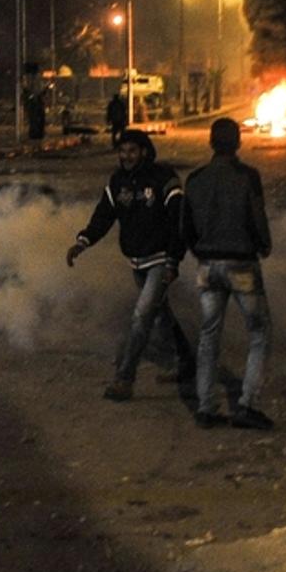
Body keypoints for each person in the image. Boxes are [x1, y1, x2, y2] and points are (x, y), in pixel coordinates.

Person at [66, 129, 195, 401]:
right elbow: (104, 216)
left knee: (141, 318)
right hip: (137, 262)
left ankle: (124, 379)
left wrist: (173, 260)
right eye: (122, 151)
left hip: (160, 260)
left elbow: (179, 221)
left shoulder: (163, 178)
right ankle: (186, 363)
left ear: (144, 152)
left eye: (132, 151)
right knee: (160, 315)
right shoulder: (117, 182)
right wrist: (83, 242)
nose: (126, 156)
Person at [184, 118, 274, 430]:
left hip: (207, 266)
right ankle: (248, 404)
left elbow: (186, 225)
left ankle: (206, 407)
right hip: (241, 264)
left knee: (209, 335)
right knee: (260, 331)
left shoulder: (195, 179)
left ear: (211, 142)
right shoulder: (247, 176)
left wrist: (200, 250)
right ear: (238, 143)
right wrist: (264, 245)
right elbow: (257, 216)